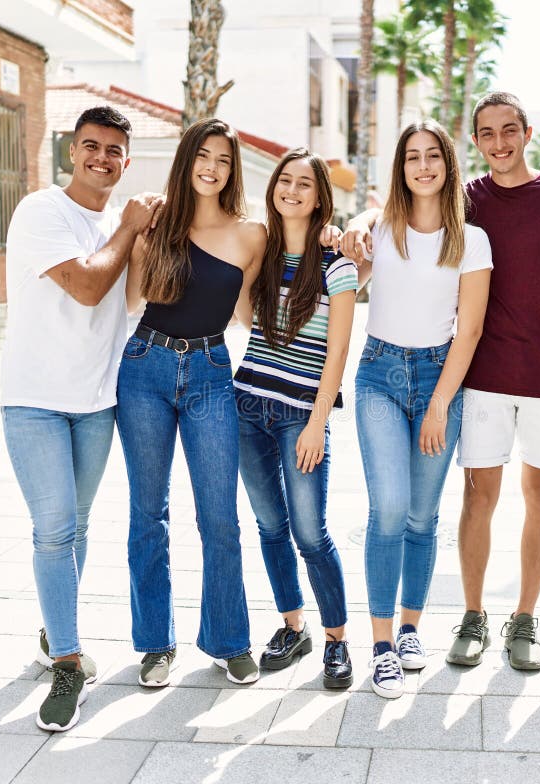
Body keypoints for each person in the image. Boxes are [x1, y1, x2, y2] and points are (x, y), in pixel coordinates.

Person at [343, 93, 540, 673]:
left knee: (539, 495)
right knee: (476, 497)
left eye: (510, 130)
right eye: (487, 133)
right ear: (476, 142)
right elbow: (393, 211)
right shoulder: (468, 199)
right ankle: (473, 615)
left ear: (528, 131)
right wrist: (357, 223)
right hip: (478, 377)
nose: (500, 142)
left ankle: (526, 617)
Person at [2, 106, 162, 731]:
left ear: (126, 159)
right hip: (36, 399)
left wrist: (151, 236)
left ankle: (54, 625)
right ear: (72, 150)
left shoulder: (124, 224)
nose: (102, 158)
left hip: (96, 401)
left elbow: (132, 298)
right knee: (54, 530)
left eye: (114, 150)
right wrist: (128, 229)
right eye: (91, 146)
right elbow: (89, 287)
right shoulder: (42, 211)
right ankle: (67, 662)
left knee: (80, 525)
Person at [117, 118, 266, 688]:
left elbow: (249, 315)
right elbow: (132, 301)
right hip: (145, 368)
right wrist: (139, 237)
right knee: (147, 512)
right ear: (187, 160)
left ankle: (228, 640)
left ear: (232, 169)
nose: (212, 167)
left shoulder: (250, 235)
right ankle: (155, 643)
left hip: (209, 370)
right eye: (203, 155)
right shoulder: (156, 223)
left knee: (219, 514)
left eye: (223, 159)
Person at [351, 120, 492, 699]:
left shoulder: (472, 240)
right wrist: (354, 229)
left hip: (442, 377)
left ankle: (411, 627)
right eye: (413, 157)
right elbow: (339, 284)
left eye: (433, 156)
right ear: (400, 168)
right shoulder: (381, 231)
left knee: (421, 516)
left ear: (448, 165)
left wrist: (440, 405)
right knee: (388, 508)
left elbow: (472, 329)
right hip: (378, 375)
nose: (424, 166)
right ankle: (381, 645)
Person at [233, 148, 357, 688]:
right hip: (246, 405)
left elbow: (338, 353)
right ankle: (292, 626)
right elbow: (244, 320)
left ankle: (337, 639)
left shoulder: (339, 265)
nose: (292, 190)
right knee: (270, 526)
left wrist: (316, 421)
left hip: (300, 414)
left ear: (319, 197)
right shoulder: (260, 254)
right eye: (285, 181)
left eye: (304, 184)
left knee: (311, 532)